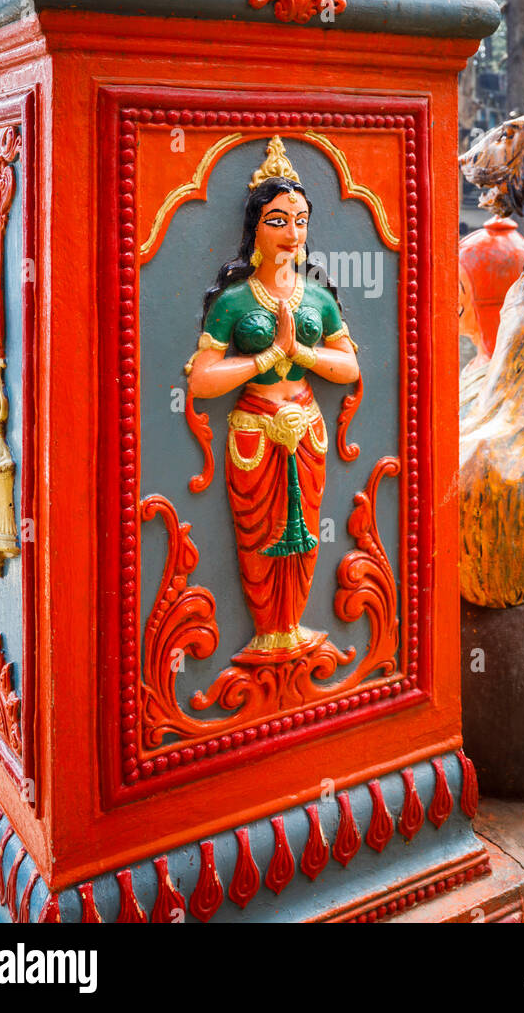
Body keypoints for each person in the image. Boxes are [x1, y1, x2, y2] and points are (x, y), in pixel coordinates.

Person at [185, 138, 360, 659]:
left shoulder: (319, 297)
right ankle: (267, 629)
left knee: (306, 532)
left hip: (306, 424)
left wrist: (299, 353)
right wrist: (266, 358)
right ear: (255, 230)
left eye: (301, 220)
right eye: (279, 220)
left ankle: (294, 625)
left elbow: (349, 367)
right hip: (255, 430)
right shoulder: (234, 300)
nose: (293, 233)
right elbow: (203, 380)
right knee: (261, 532)